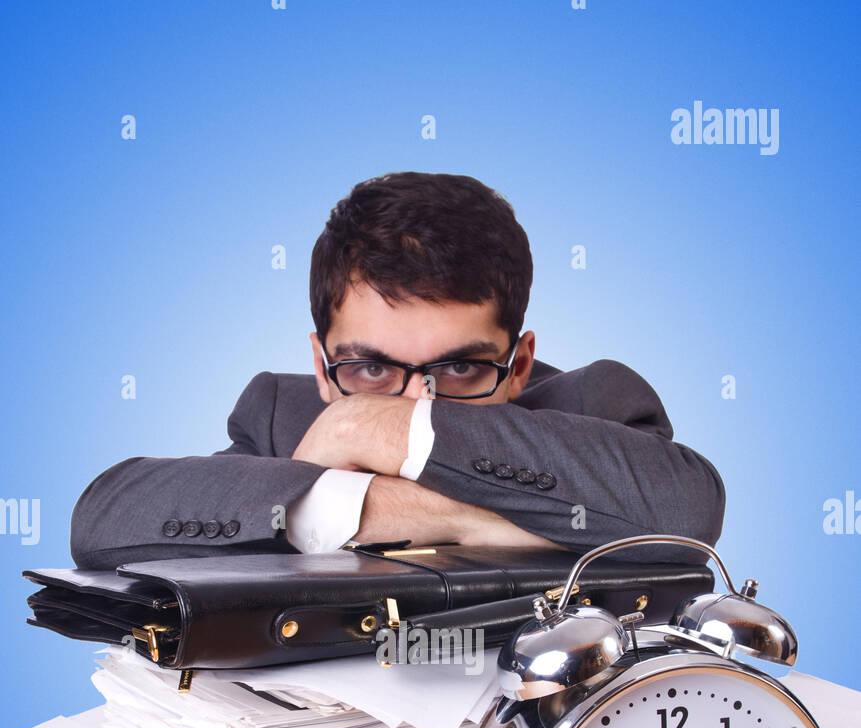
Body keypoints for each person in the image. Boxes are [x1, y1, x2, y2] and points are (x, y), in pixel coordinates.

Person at [70, 172, 725, 570]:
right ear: (322, 367)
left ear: (518, 363)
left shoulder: (592, 401)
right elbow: (103, 522)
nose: (410, 401)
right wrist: (437, 514)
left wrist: (378, 429)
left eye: (463, 367)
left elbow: (686, 510)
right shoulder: (281, 418)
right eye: (369, 369)